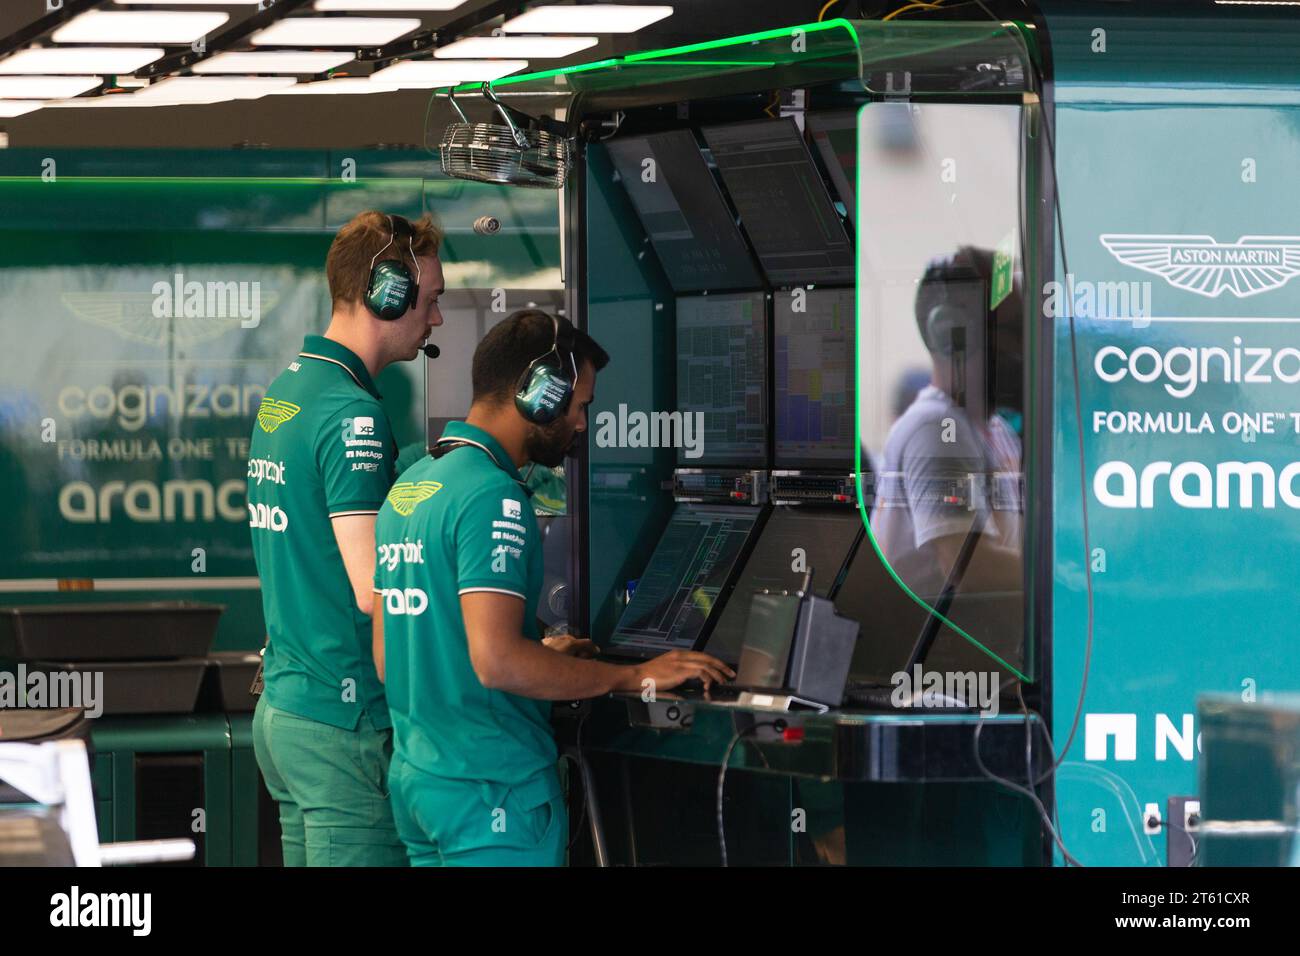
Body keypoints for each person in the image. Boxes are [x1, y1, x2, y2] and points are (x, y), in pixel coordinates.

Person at [373, 309, 733, 866]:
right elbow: (496, 662)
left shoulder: (413, 485)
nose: (583, 423)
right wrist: (634, 675)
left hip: (422, 788)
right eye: (580, 403)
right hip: (496, 797)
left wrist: (537, 654)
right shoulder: (491, 496)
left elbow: (389, 654)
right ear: (538, 392)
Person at [247, 210, 445, 866]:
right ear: (386, 293)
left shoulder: (288, 393)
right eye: (431, 299)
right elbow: (374, 591)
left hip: (288, 713)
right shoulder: (352, 414)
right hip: (343, 726)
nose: (437, 319)